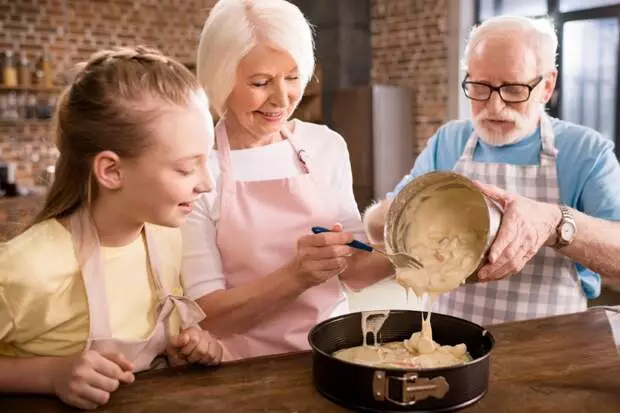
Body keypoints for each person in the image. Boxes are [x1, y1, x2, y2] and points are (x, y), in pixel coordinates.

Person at [0, 46, 223, 410]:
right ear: (111, 171)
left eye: (207, 160)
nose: (207, 183)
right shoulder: (27, 269)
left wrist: (187, 345)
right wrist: (51, 375)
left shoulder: (165, 237)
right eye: (186, 168)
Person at [365, 15, 620, 326]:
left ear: (547, 86)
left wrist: (556, 224)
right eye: (480, 87)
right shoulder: (449, 141)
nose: (495, 107)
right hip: (450, 343)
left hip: (552, 347)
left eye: (513, 89)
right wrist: (384, 218)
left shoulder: (586, 152)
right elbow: (382, 226)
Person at [182, 0, 393, 361]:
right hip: (238, 369)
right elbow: (209, 317)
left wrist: (414, 250)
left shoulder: (325, 145)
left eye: (293, 77)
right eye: (261, 82)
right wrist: (296, 276)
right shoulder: (199, 167)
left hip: (334, 354)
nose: (281, 99)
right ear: (221, 79)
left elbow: (354, 267)